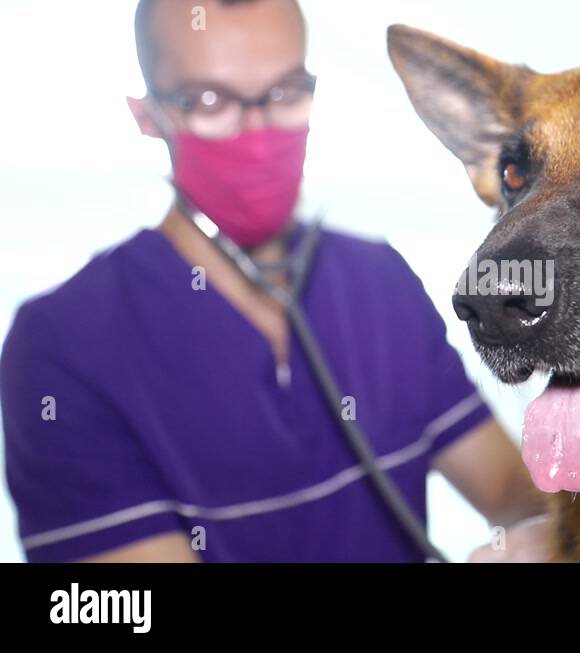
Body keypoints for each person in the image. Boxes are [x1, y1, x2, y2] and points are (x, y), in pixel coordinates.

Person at [0, 0, 544, 562]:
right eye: (209, 101)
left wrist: (540, 540)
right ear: (148, 117)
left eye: (285, 92)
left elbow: (514, 498)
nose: (257, 130)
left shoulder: (379, 283)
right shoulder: (62, 345)